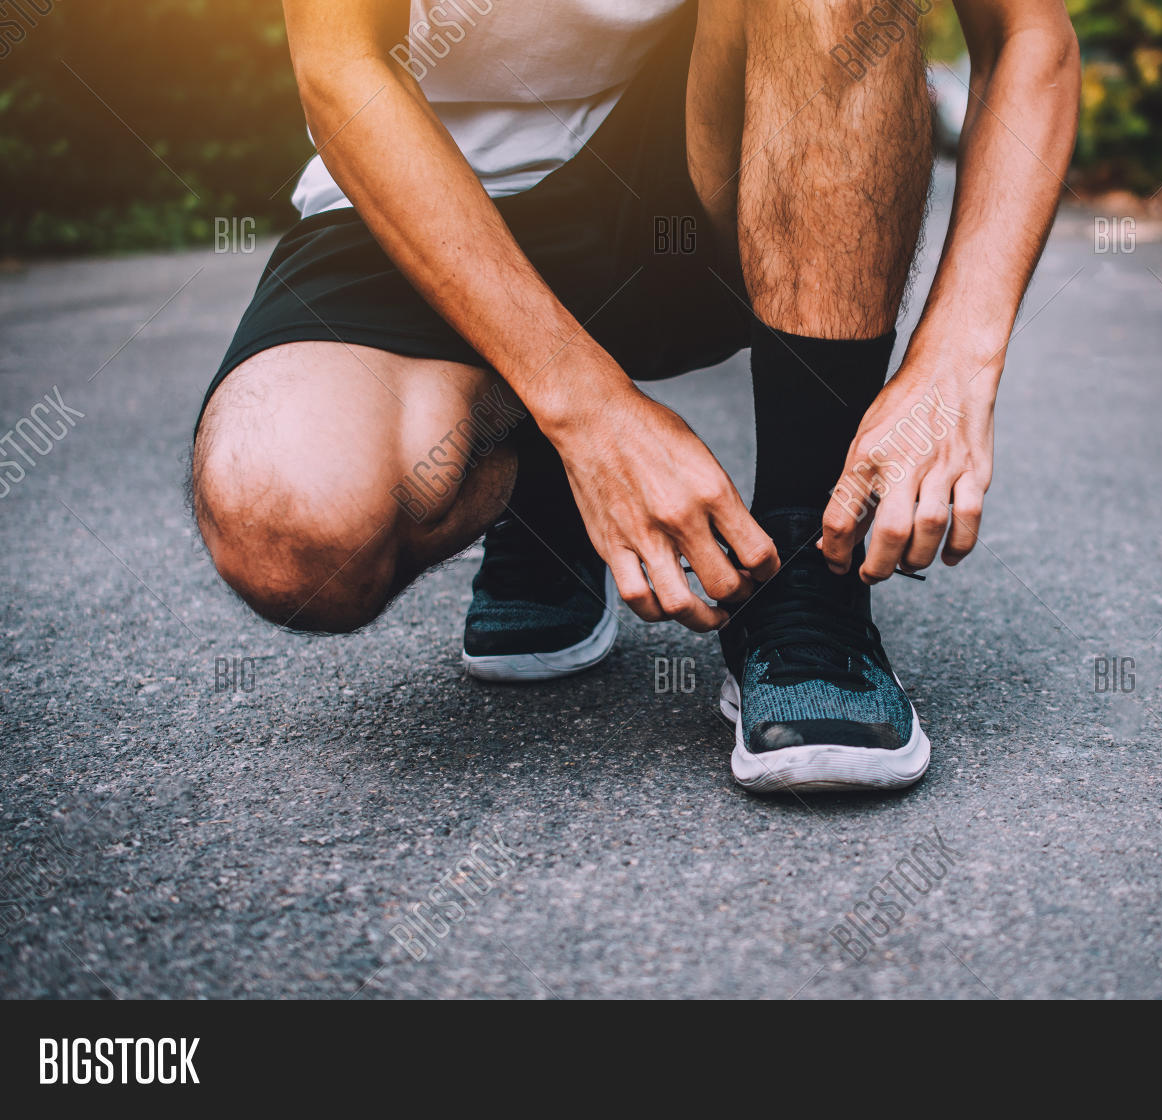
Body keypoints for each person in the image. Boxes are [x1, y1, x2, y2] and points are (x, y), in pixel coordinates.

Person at [191, 0, 1080, 792]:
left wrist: (955, 365)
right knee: (295, 540)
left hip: (690, 177)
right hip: (423, 190)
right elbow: (340, 64)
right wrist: (585, 413)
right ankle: (542, 475)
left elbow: (1026, 33)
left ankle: (811, 572)